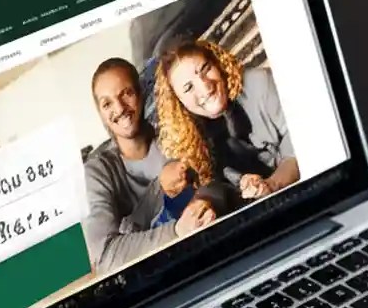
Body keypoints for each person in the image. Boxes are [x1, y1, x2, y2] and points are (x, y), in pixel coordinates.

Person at [82, 57, 215, 274]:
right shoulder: (97, 172)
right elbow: (105, 257)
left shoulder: (177, 135)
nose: (120, 108)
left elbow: (213, 181)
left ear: (141, 93)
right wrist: (175, 228)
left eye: (126, 93)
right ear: (101, 115)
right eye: (107, 103)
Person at [152, 39, 300, 213]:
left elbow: (303, 139)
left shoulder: (261, 83)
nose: (205, 87)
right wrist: (245, 183)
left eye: (206, 69)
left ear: (218, 64)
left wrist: (272, 184)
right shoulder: (192, 139)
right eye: (188, 87)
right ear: (179, 103)